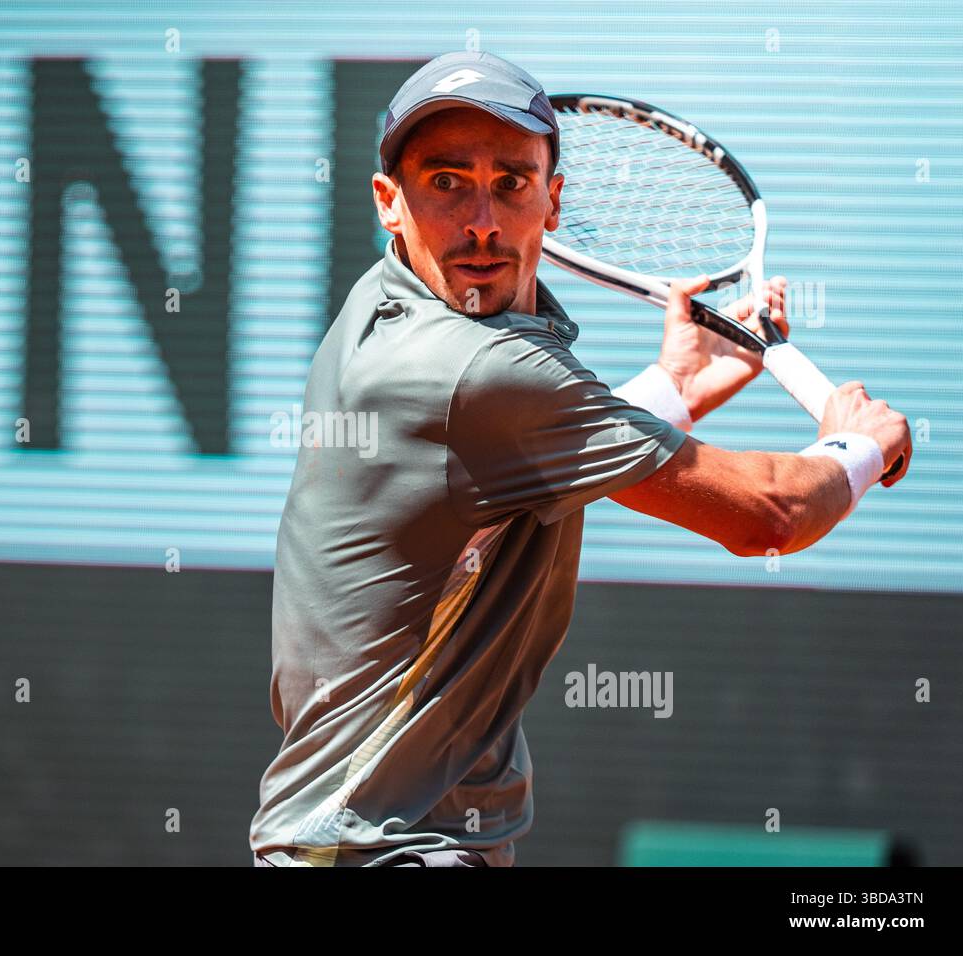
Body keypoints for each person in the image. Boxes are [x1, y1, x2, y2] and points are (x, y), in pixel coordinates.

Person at [249, 51, 911, 867]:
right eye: (446, 182)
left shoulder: (382, 310)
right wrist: (857, 443)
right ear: (390, 202)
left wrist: (675, 385)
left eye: (512, 183)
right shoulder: (479, 369)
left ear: (553, 199)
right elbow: (768, 515)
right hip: (390, 852)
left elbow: (520, 453)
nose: (481, 219)